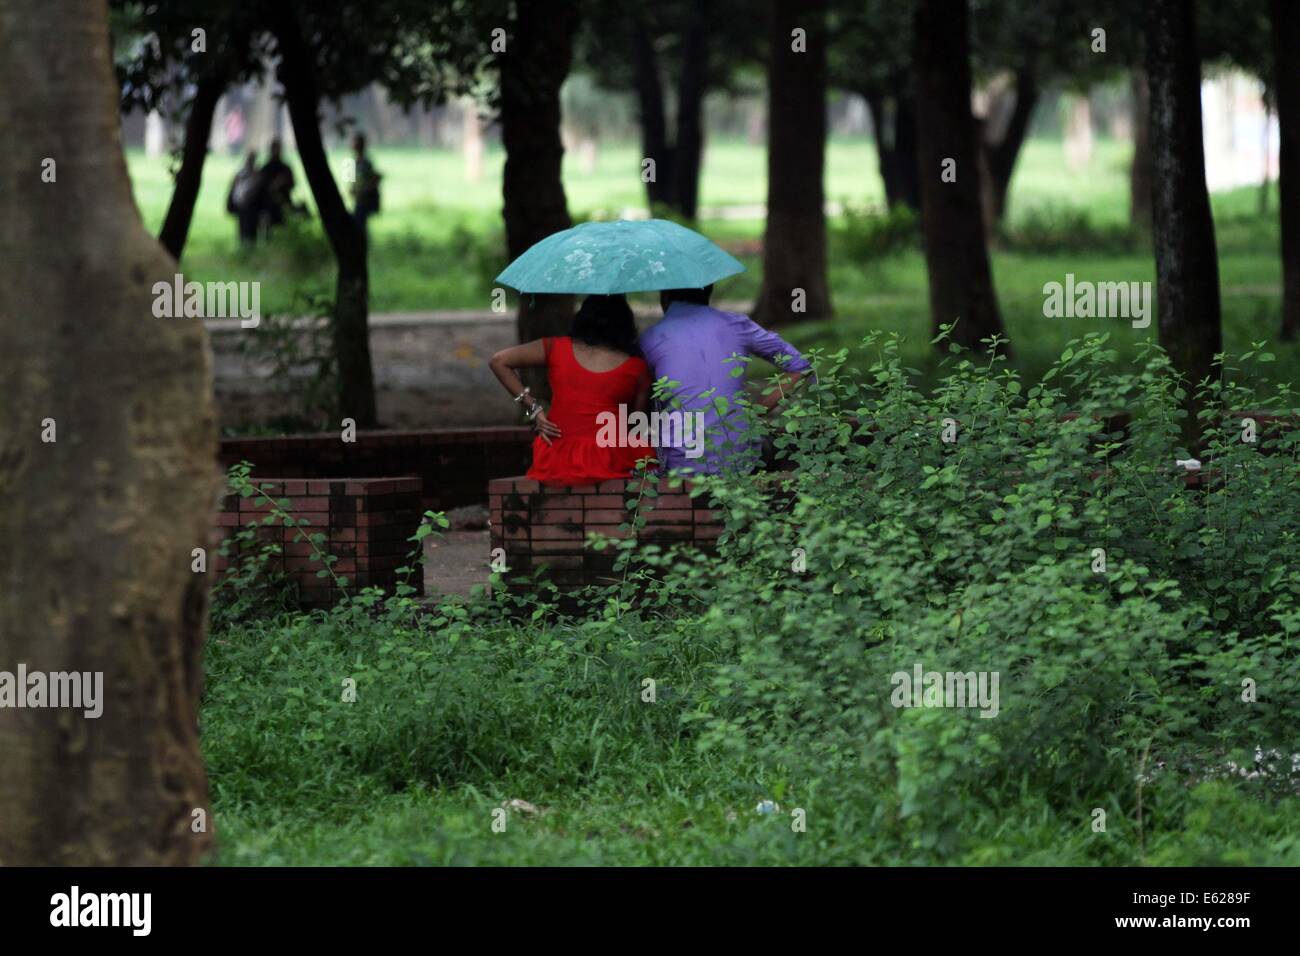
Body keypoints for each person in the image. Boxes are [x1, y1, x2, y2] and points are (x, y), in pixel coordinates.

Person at [639, 286, 810, 475]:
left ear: (665, 296)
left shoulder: (650, 338)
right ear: (708, 291)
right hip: (740, 462)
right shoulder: (736, 325)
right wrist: (756, 412)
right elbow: (800, 367)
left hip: (679, 465)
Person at [489, 295, 654, 486]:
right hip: (611, 459)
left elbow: (498, 361)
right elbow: (635, 426)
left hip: (558, 460)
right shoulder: (637, 367)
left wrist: (534, 409)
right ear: (625, 324)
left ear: (581, 318)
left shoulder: (555, 348)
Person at [348, 132, 382, 247]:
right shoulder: (350, 163)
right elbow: (350, 186)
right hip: (358, 200)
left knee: (359, 225)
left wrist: (364, 190)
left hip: (364, 201)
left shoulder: (366, 163)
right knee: (358, 225)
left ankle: (361, 246)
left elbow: (374, 180)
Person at [256, 138, 296, 232]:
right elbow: (262, 187)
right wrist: (274, 185)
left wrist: (283, 183)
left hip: (284, 199)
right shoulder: (265, 169)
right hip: (268, 202)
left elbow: (292, 184)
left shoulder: (285, 168)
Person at [226, 152, 260, 246]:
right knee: (244, 228)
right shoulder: (242, 174)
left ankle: (247, 247)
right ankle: (245, 247)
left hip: (251, 207)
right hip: (242, 206)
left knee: (250, 230)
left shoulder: (254, 174)